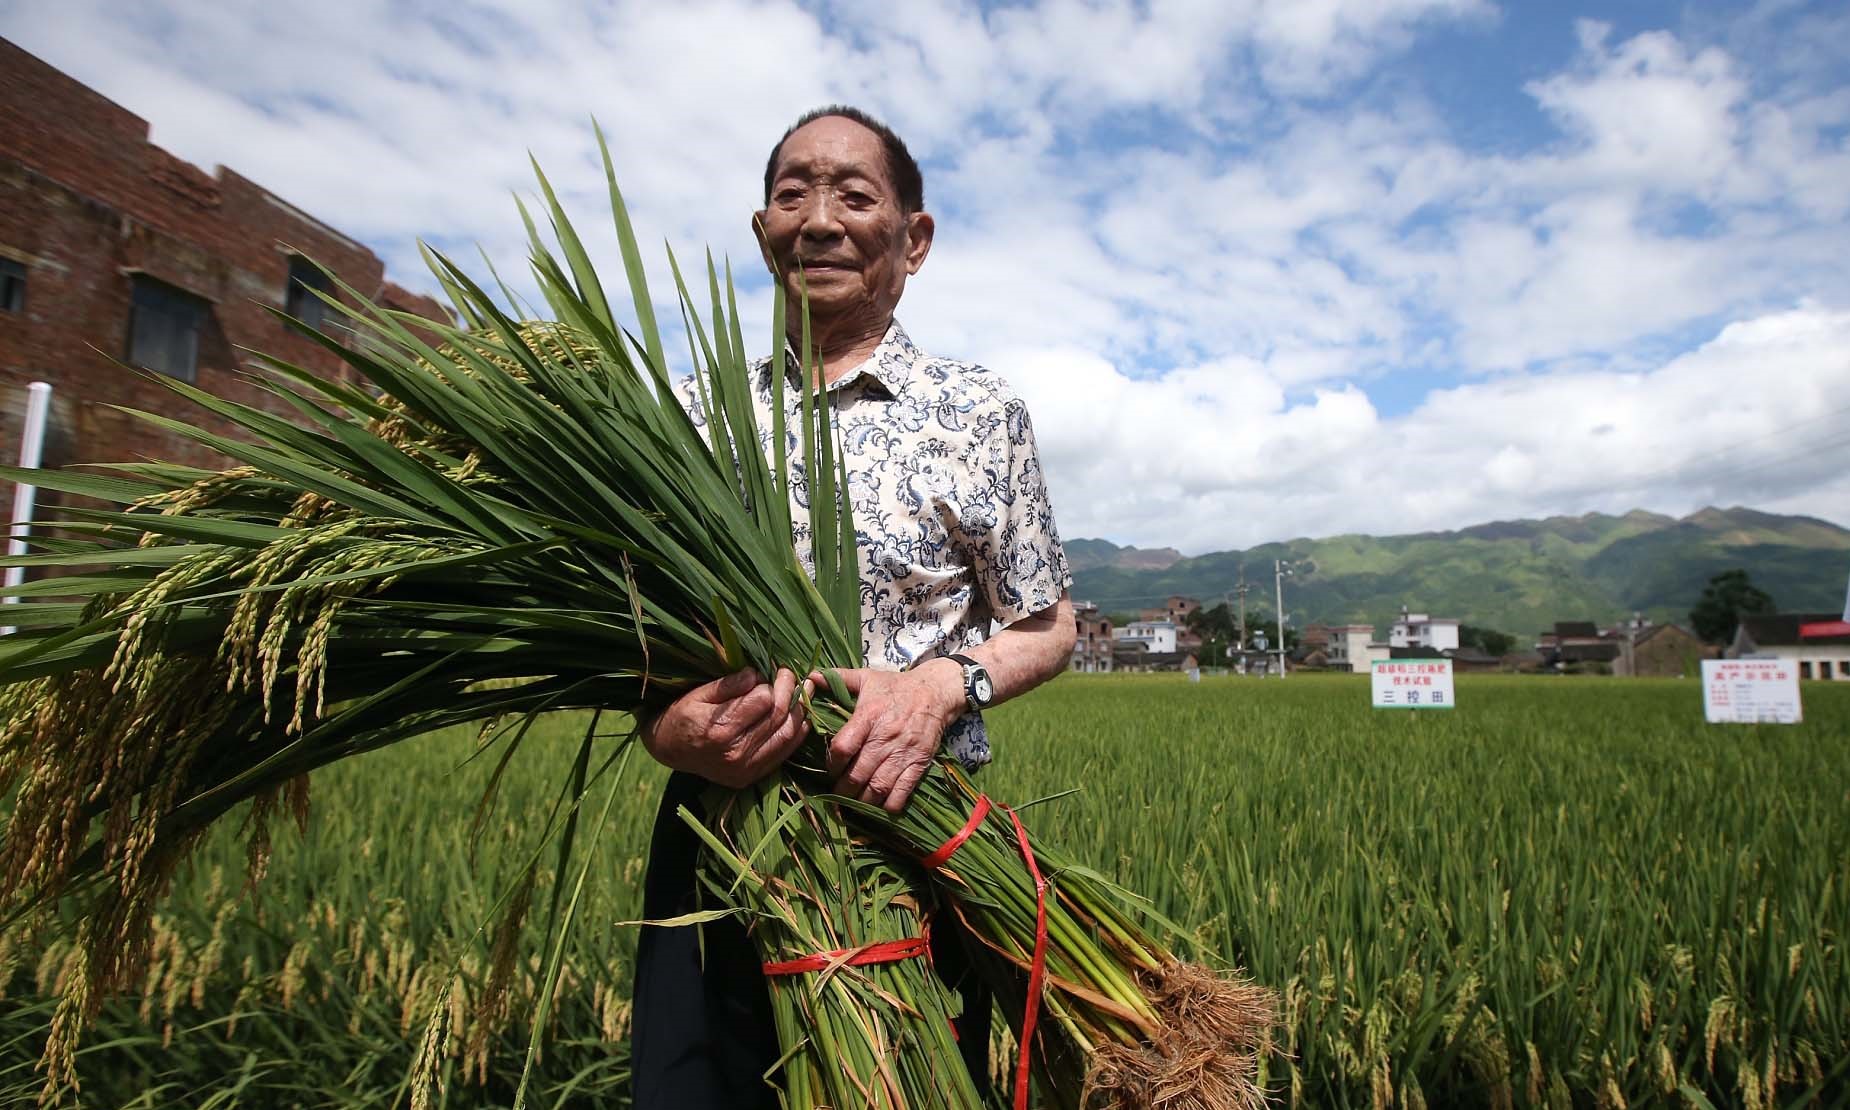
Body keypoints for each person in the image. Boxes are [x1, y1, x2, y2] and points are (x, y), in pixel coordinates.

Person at [630, 105, 1077, 1109]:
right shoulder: (693, 418)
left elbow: (1047, 625)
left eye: (853, 194)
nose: (819, 219)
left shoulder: (975, 413)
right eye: (793, 193)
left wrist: (940, 687)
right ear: (761, 231)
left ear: (912, 240)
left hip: (908, 835)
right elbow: (634, 635)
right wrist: (665, 726)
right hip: (719, 842)